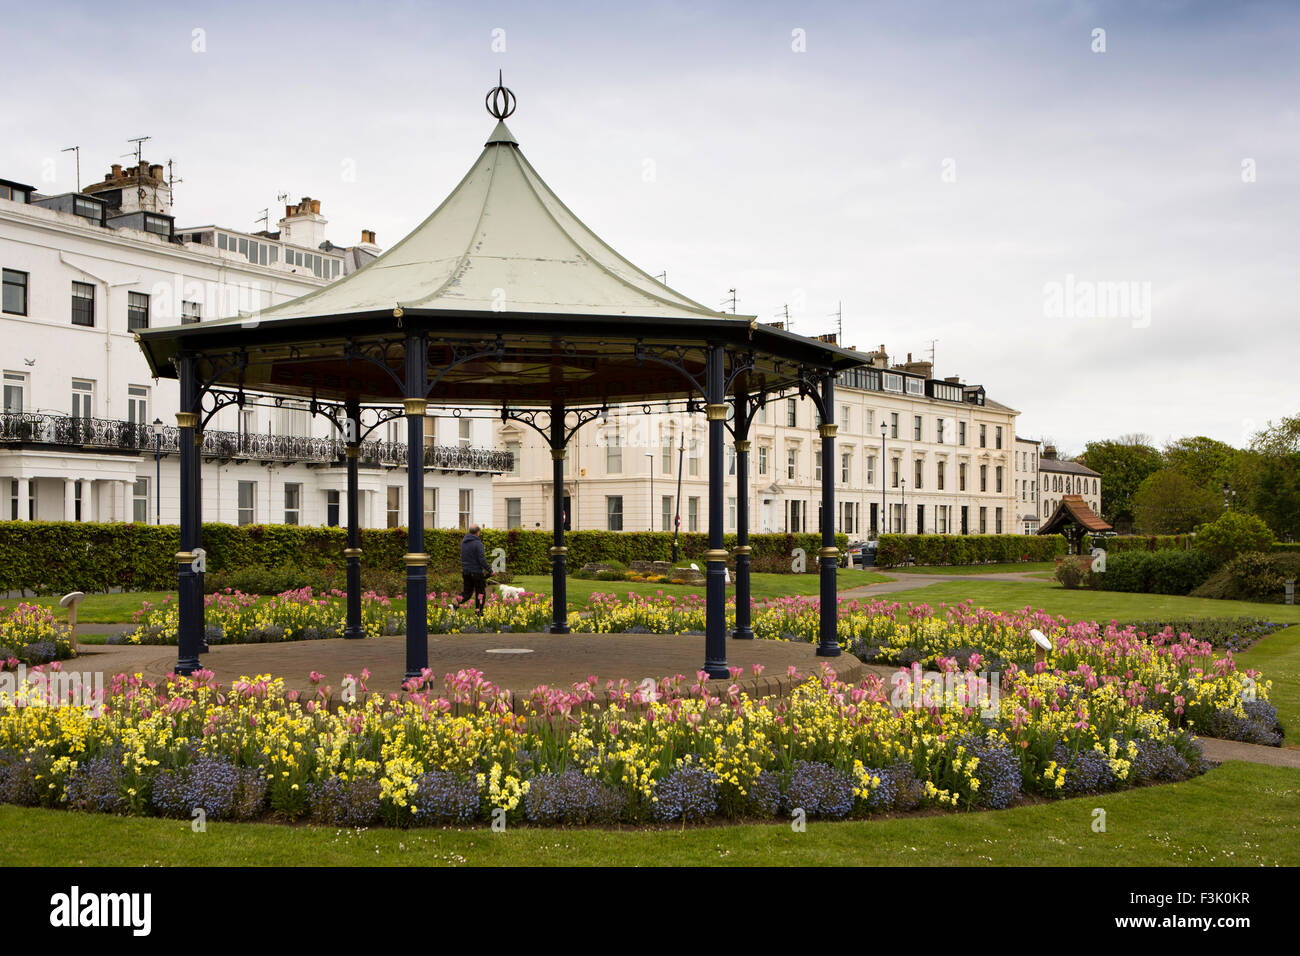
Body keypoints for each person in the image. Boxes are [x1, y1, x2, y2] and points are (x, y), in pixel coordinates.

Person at [457, 525, 492, 614]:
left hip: (466, 572)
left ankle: (453, 605)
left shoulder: (463, 542)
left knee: (467, 593)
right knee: (480, 593)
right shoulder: (478, 543)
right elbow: (481, 559)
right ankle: (479, 612)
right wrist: (490, 570)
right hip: (476, 572)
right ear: (477, 532)